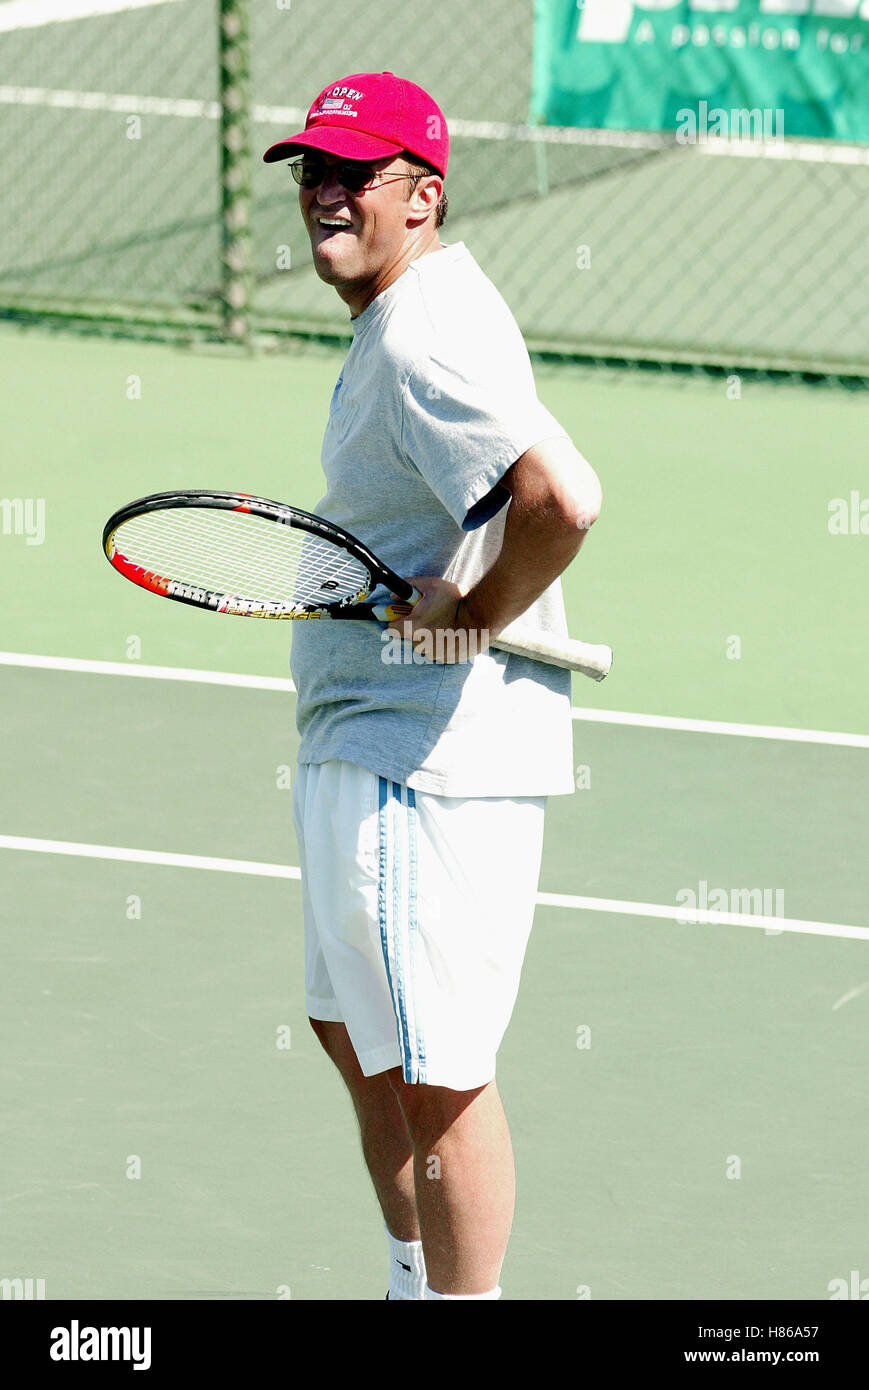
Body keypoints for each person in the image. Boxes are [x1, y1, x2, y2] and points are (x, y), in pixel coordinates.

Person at [263, 71, 602, 1301]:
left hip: (424, 762)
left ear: (423, 194)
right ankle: (414, 1282)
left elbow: (561, 500)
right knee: (358, 1039)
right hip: (373, 742)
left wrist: (471, 615)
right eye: (312, 170)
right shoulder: (410, 315)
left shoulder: (419, 332)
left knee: (438, 1076)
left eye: (352, 172)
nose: (322, 194)